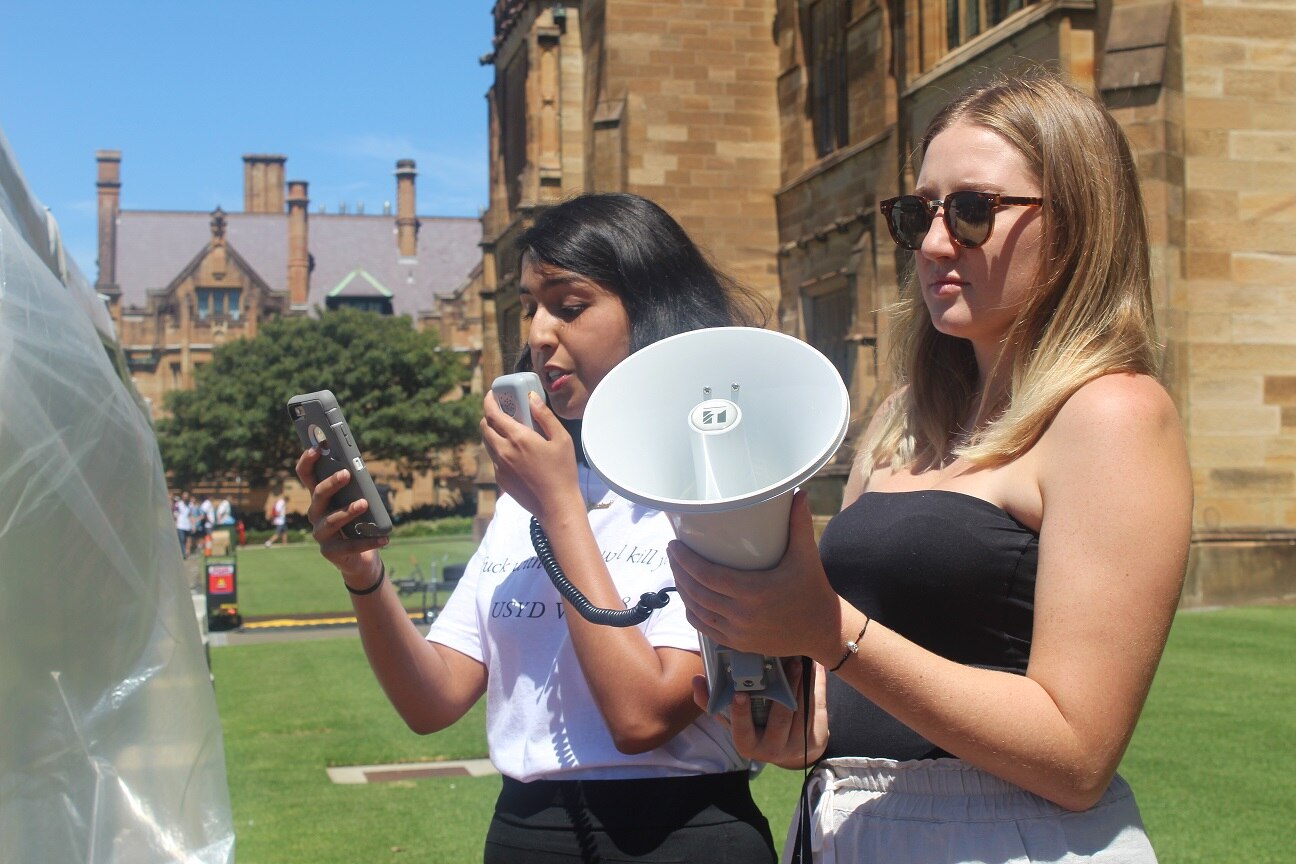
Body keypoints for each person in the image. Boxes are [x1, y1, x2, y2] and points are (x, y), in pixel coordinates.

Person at [668, 71, 1192, 863]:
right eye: (920, 214)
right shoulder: (903, 416)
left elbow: (1078, 756)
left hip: (1008, 837)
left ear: (1080, 221)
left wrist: (827, 630)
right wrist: (809, 720)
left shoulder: (1111, 412)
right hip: (844, 825)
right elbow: (887, 663)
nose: (938, 241)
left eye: (976, 211)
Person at [297, 192, 777, 863]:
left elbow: (642, 716)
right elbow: (431, 699)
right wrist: (363, 574)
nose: (539, 333)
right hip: (526, 831)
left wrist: (558, 509)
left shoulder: (711, 487)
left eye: (569, 306)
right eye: (529, 307)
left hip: (676, 832)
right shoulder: (534, 490)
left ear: (650, 309)